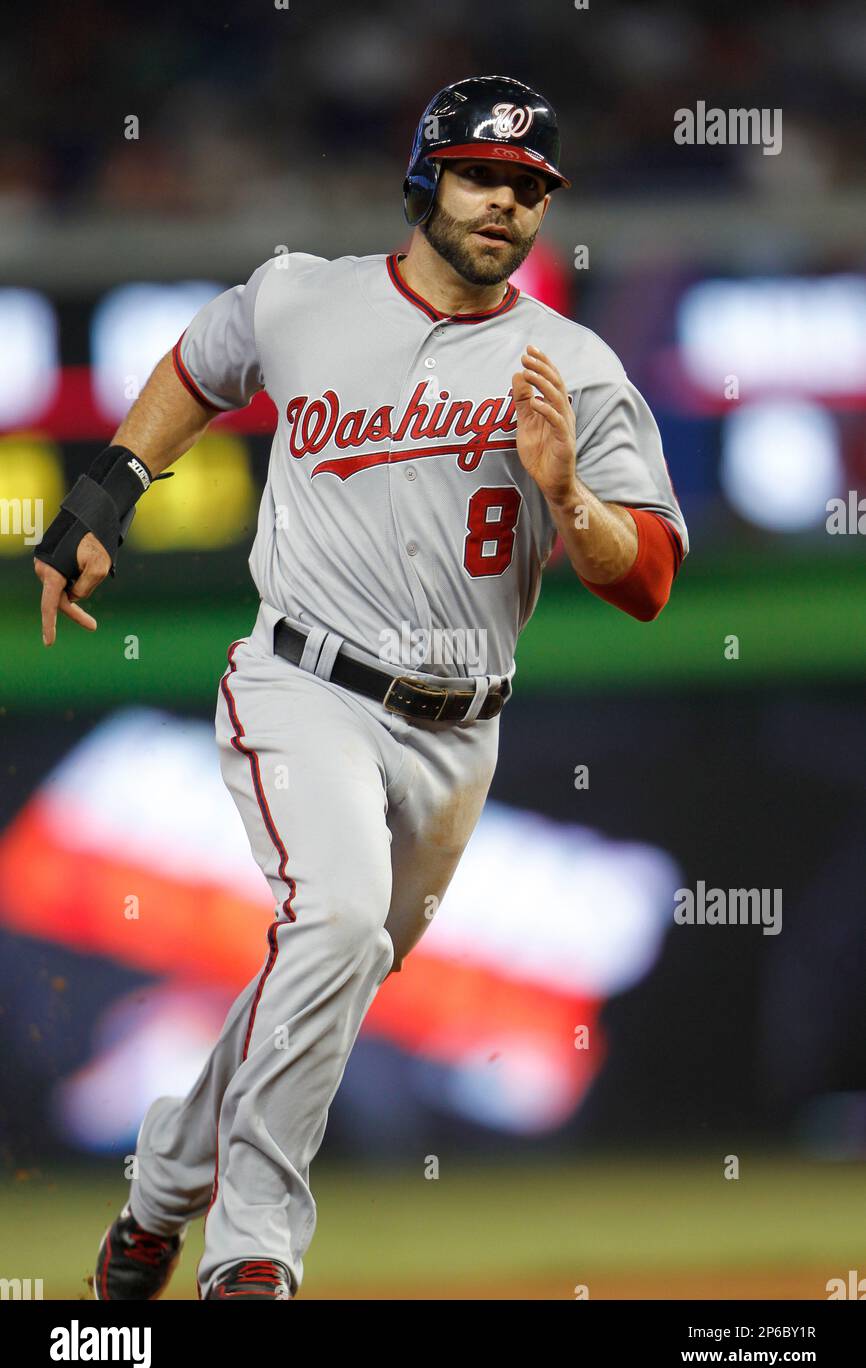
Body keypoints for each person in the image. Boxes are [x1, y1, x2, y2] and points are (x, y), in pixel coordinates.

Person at [35, 75, 687, 1300]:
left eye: (530, 188)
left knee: (328, 971)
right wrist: (101, 497)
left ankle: (163, 1187)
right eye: (482, 175)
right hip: (303, 682)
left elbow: (647, 576)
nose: (505, 205)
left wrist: (569, 500)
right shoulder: (305, 298)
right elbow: (198, 365)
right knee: (330, 927)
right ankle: (253, 1257)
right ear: (424, 177)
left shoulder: (571, 366)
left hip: (458, 734)